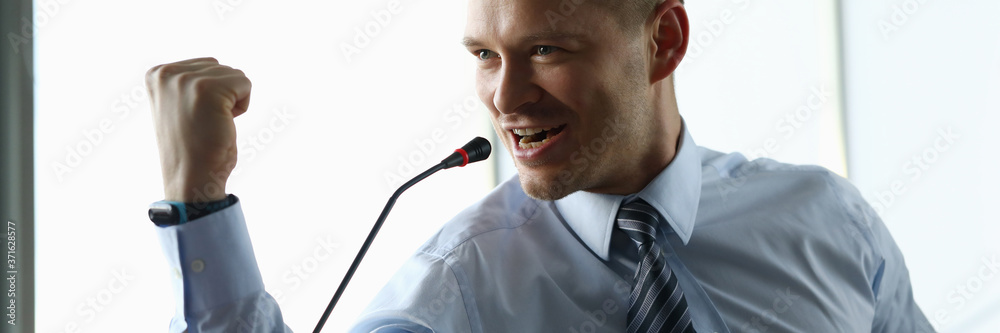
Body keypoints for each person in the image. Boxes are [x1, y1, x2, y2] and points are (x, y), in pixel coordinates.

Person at [145, 0, 934, 331]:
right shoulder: (455, 290)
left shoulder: (830, 219)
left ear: (663, 41)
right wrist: (199, 200)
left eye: (546, 49)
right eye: (485, 55)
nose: (506, 97)